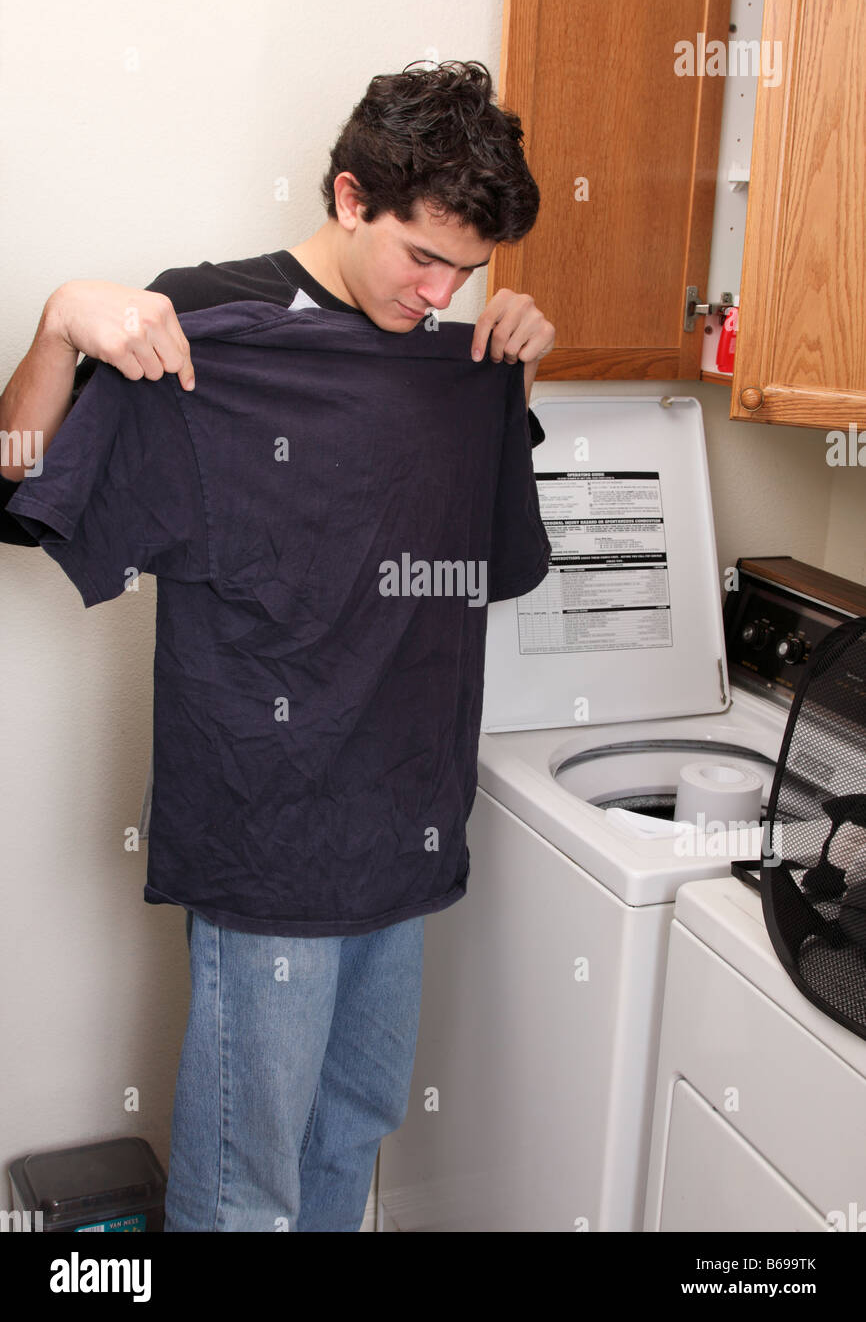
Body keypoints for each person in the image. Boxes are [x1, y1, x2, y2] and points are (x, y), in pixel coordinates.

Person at [0, 60, 554, 1231]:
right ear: (351, 197)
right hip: (267, 828)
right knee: (244, 1166)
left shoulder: (455, 362)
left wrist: (510, 365)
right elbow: (18, 491)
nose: (441, 291)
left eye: (469, 271)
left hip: (403, 818)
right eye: (423, 256)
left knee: (354, 1121)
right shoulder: (198, 321)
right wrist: (60, 325)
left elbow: (496, 555)